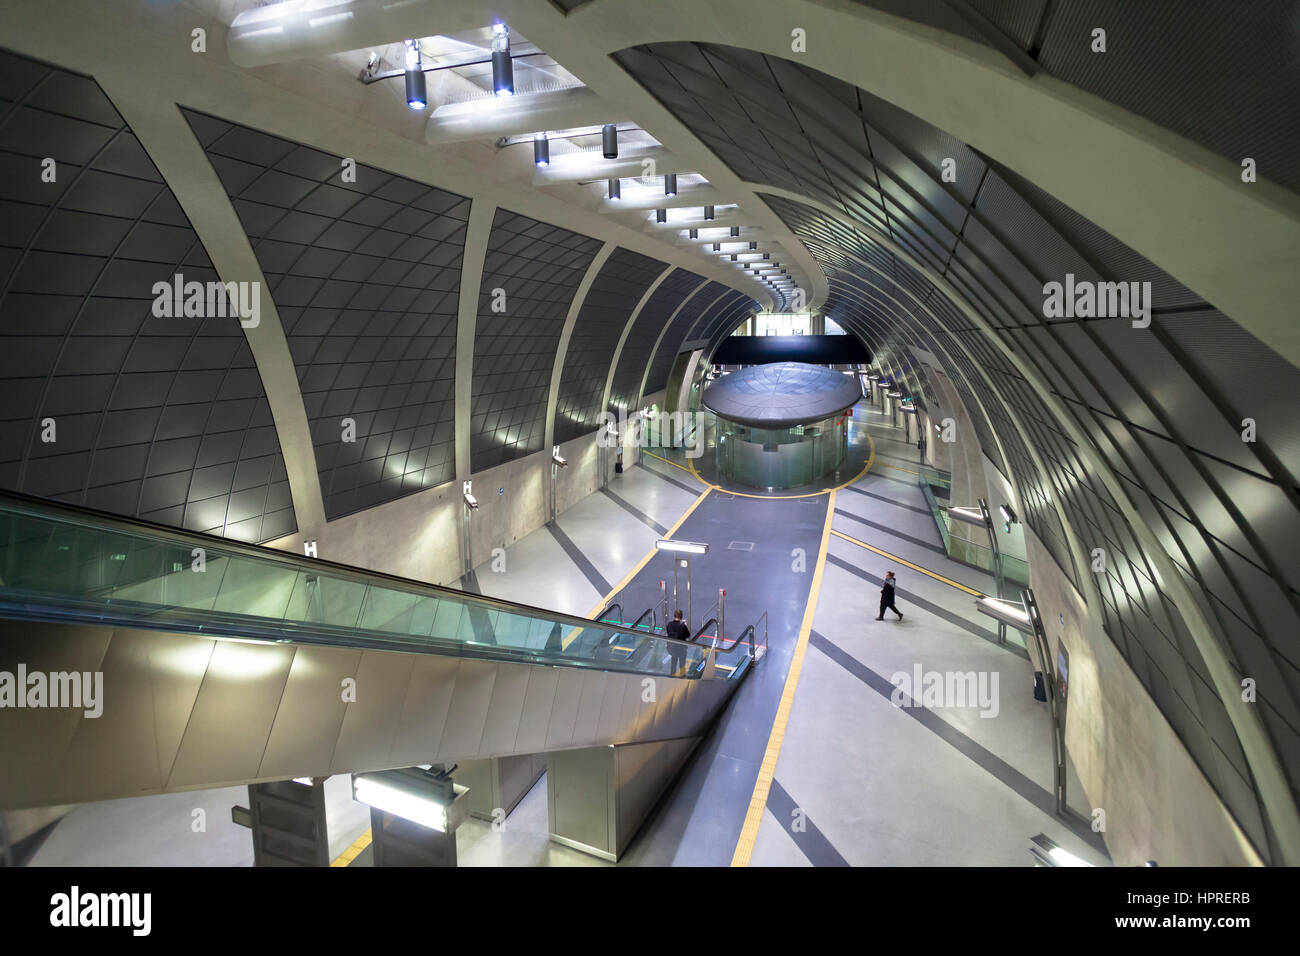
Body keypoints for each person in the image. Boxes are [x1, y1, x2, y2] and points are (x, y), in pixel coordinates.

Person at [665, 609, 690, 675]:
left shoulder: (669, 624)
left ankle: (672, 675)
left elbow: (668, 633)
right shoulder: (682, 626)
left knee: (673, 662)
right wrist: (685, 626)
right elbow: (688, 635)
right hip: (681, 649)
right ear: (681, 617)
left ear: (674, 615)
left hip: (672, 647)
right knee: (682, 664)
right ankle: (682, 676)